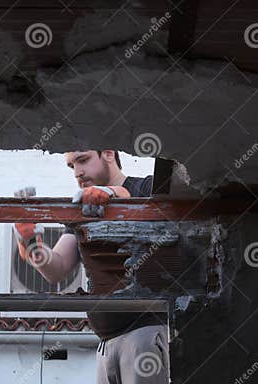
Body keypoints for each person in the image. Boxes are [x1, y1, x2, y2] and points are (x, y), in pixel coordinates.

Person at [14, 150, 170, 384]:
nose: (77, 172)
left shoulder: (147, 188)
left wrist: (112, 194)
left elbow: (128, 196)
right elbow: (56, 269)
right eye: (71, 166)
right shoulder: (82, 211)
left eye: (83, 160)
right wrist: (33, 246)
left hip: (144, 334)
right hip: (105, 343)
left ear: (108, 153)